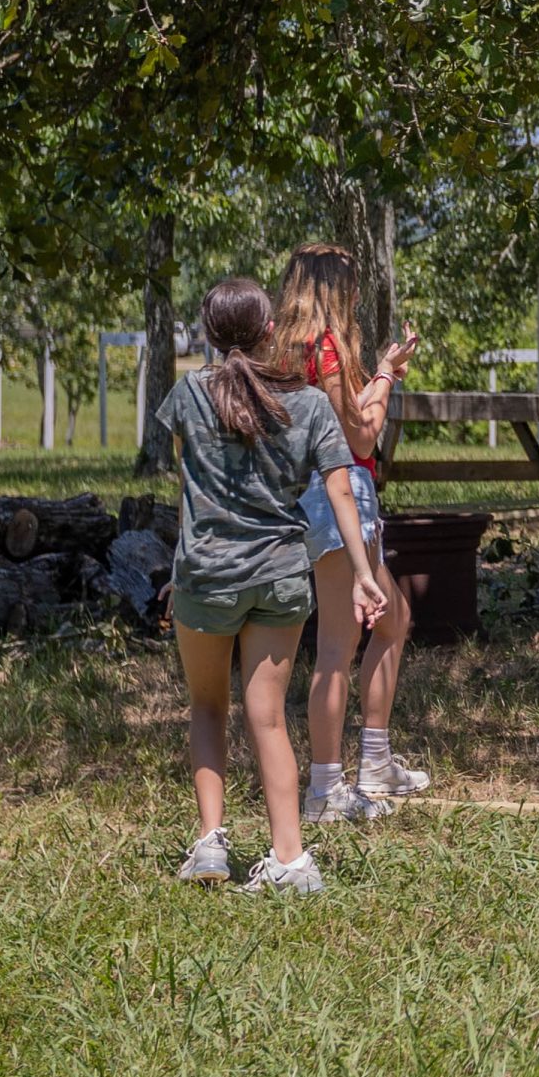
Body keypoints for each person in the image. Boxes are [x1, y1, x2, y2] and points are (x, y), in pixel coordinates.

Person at [161, 277, 387, 894]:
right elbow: (341, 488)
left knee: (208, 705)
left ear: (208, 334)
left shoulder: (187, 394)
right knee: (267, 717)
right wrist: (364, 575)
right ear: (269, 332)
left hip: (206, 574)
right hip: (282, 576)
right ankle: (290, 859)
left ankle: (211, 845)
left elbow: (190, 484)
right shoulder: (310, 403)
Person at [274, 243, 423, 824]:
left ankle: (376, 760)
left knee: (394, 620)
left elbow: (341, 418)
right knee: (337, 649)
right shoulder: (326, 346)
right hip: (336, 499)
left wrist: (381, 372)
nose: (358, 294)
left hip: (315, 496)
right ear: (336, 290)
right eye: (352, 284)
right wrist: (387, 375)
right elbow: (360, 438)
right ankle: (326, 789)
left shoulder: (285, 348)